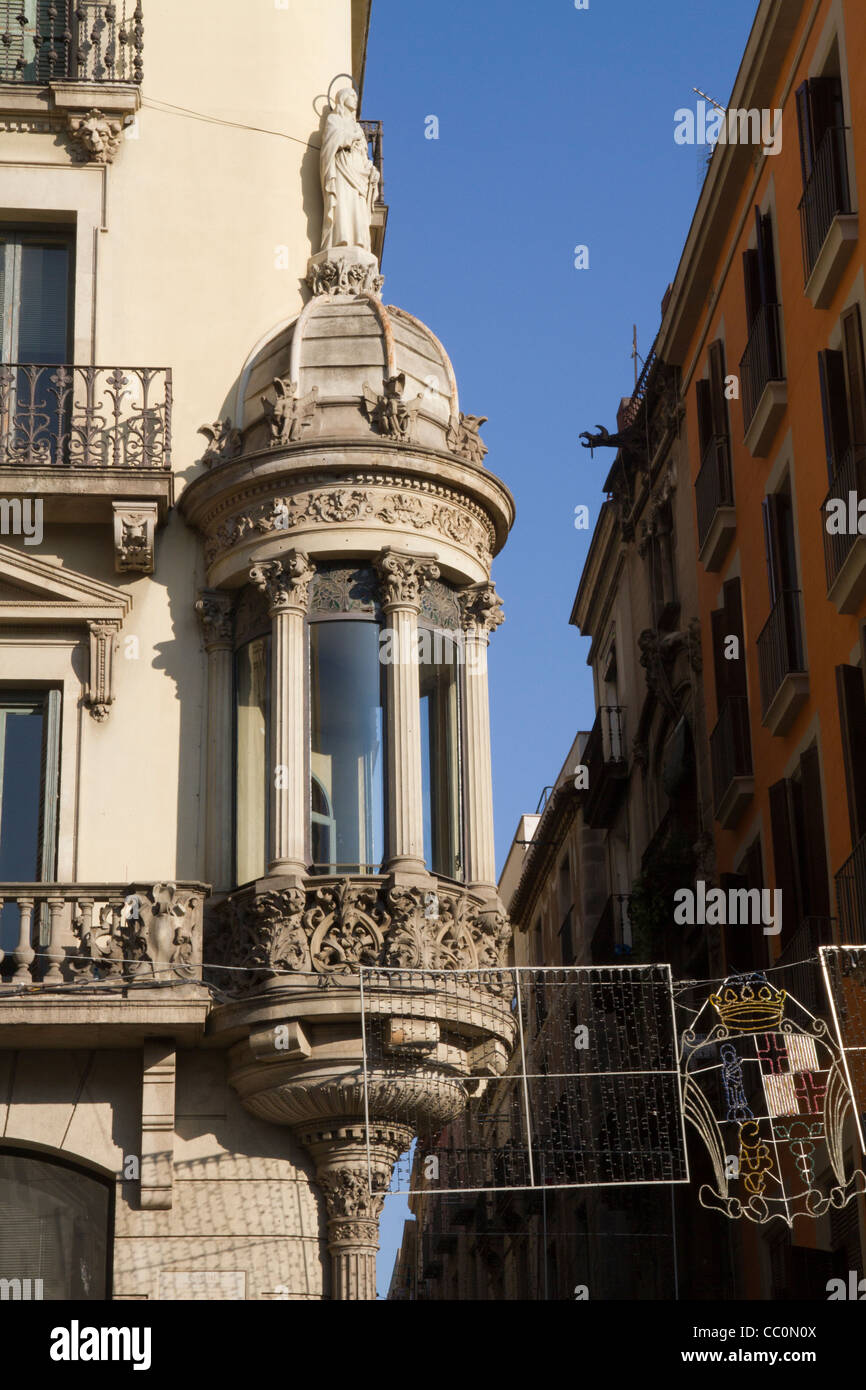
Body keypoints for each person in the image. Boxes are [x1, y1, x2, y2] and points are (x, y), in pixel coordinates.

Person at [320, 87, 379, 253]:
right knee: (343, 203)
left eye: (356, 95)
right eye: (351, 95)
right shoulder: (334, 120)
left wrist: (370, 170)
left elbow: (363, 155)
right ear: (342, 98)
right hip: (341, 168)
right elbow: (330, 143)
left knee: (357, 206)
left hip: (357, 171)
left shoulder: (358, 127)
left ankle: (357, 240)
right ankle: (340, 238)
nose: (355, 98)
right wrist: (350, 137)